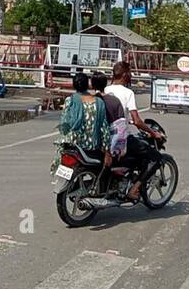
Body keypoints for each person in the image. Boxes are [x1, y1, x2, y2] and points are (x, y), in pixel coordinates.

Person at [105, 61, 164, 200]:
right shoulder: (128, 93)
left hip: (104, 135)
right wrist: (152, 132)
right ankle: (134, 189)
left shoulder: (106, 90)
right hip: (121, 137)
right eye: (130, 72)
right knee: (155, 157)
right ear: (125, 74)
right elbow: (137, 121)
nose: (131, 75)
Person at [56, 72, 106, 157]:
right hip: (92, 146)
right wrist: (106, 149)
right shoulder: (99, 102)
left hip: (74, 145)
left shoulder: (70, 100)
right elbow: (104, 128)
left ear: (74, 85)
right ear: (88, 85)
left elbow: (64, 124)